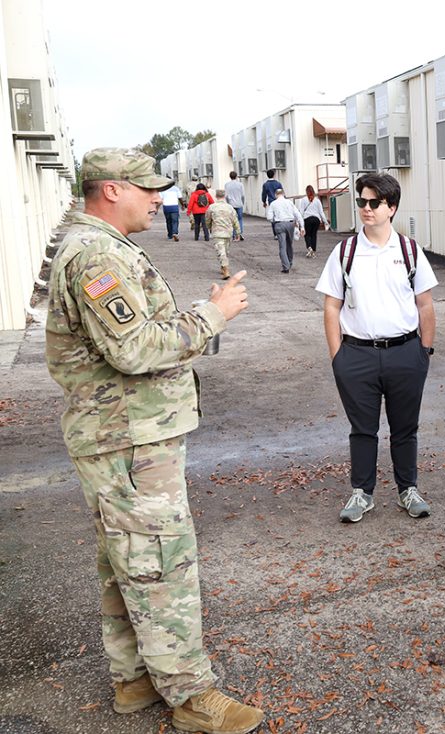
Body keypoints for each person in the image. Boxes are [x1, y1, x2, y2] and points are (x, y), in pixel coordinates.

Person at [44, 148, 262, 734]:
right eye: (148, 189)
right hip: (129, 440)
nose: (159, 199)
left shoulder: (99, 246)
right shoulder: (96, 255)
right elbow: (134, 348)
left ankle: (135, 678)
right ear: (112, 190)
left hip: (122, 436)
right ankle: (191, 696)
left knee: (128, 560)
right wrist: (212, 315)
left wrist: (201, 315)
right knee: (161, 564)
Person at [316, 173, 437, 524]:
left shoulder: (409, 251)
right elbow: (331, 306)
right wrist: (337, 357)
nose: (366, 209)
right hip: (356, 355)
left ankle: (408, 489)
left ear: (392, 208)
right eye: (362, 202)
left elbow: (426, 305)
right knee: (362, 429)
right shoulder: (346, 252)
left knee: (405, 428)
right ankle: (362, 493)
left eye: (374, 203)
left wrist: (423, 352)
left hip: (405, 352)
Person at [265, 188, 304, 273]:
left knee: (282, 246)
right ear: (284, 194)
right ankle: (290, 262)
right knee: (289, 244)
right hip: (290, 224)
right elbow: (297, 214)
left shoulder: (273, 204)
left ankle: (286, 267)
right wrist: (302, 227)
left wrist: (274, 220)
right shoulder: (289, 202)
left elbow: (269, 217)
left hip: (279, 224)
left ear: (275, 195)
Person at [206, 189, 241, 279]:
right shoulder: (230, 207)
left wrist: (209, 227)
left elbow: (208, 219)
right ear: (224, 196)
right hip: (228, 232)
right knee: (225, 251)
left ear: (216, 196)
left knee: (221, 252)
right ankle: (223, 267)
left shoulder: (212, 207)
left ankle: (226, 270)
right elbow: (235, 220)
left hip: (217, 232)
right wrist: (238, 232)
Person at [298, 184, 329, 258]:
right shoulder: (317, 200)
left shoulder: (303, 200)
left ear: (306, 192)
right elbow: (321, 212)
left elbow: (301, 211)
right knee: (314, 235)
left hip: (307, 219)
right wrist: (325, 222)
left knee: (307, 235)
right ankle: (313, 250)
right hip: (316, 220)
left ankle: (309, 248)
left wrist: (299, 222)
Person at [261, 168, 283, 239]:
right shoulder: (278, 183)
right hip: (279, 201)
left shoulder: (265, 185)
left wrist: (264, 202)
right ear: (273, 175)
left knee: (273, 218)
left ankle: (275, 234)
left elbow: (264, 194)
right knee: (280, 216)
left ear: (267, 175)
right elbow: (282, 193)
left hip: (271, 202)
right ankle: (281, 232)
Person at [224, 170, 245, 240]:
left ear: (230, 177)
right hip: (239, 203)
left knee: (232, 220)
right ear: (236, 176)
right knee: (240, 219)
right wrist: (242, 203)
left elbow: (226, 196)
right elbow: (243, 195)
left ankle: (233, 235)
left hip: (231, 204)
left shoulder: (227, 185)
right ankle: (239, 233)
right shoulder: (240, 184)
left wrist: (228, 203)